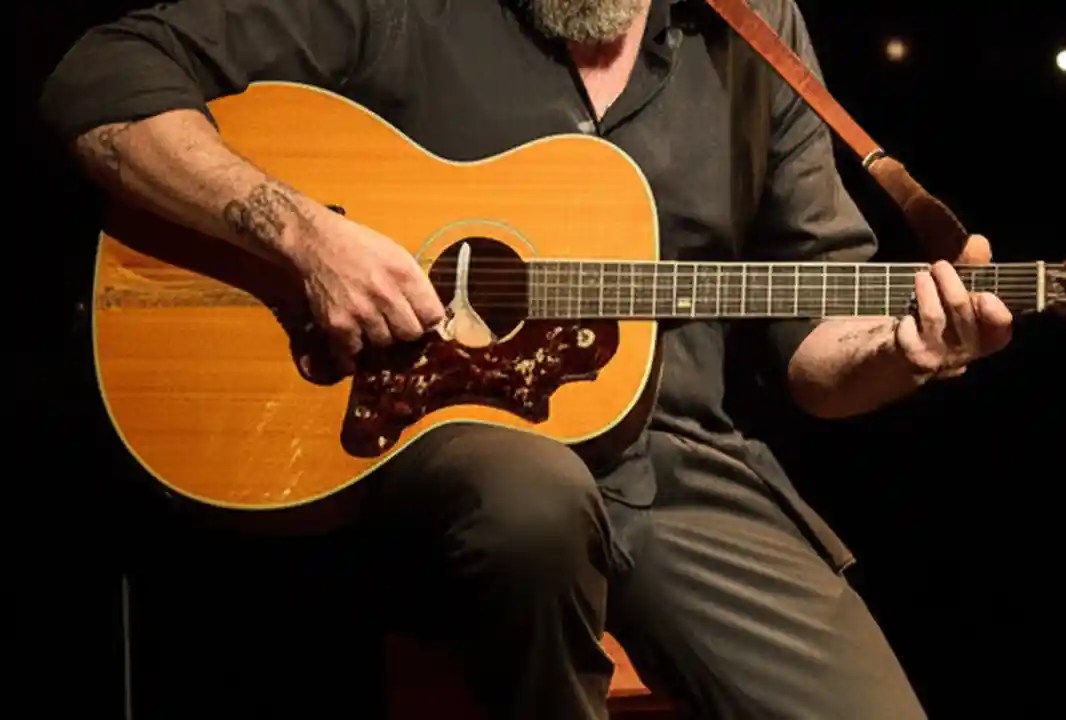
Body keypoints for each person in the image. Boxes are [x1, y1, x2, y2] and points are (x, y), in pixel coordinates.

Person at [40, 0, 1013, 718]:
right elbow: (101, 80)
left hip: (673, 464)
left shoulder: (758, 31)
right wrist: (302, 236)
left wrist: (905, 348)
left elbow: (811, 351)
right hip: (429, 443)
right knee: (532, 502)